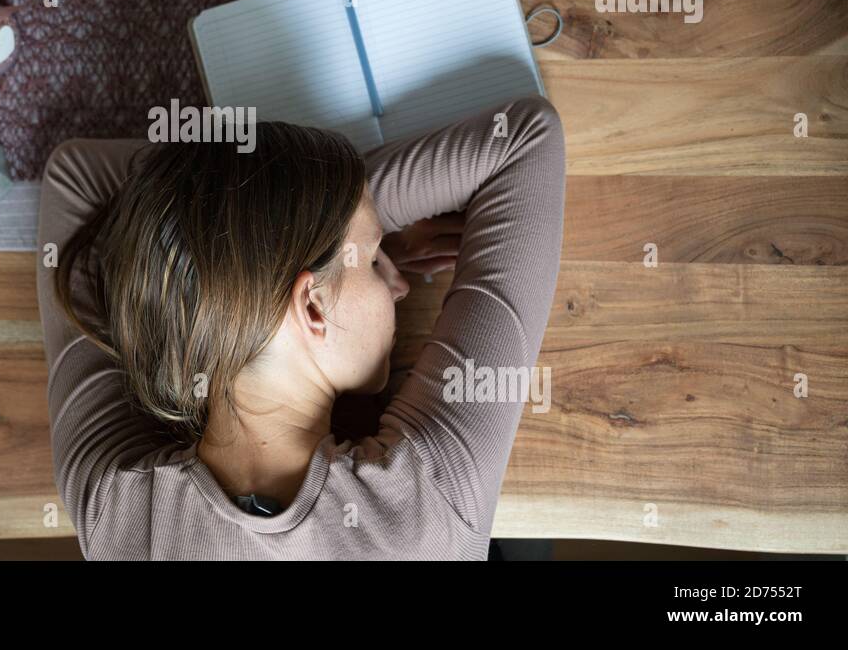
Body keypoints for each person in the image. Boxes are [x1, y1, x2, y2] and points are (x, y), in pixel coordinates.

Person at [36, 95, 565, 559]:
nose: (400, 284)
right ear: (312, 308)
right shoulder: (431, 503)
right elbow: (523, 137)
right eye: (378, 260)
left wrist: (310, 230)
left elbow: (77, 177)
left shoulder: (116, 509)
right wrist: (319, 225)